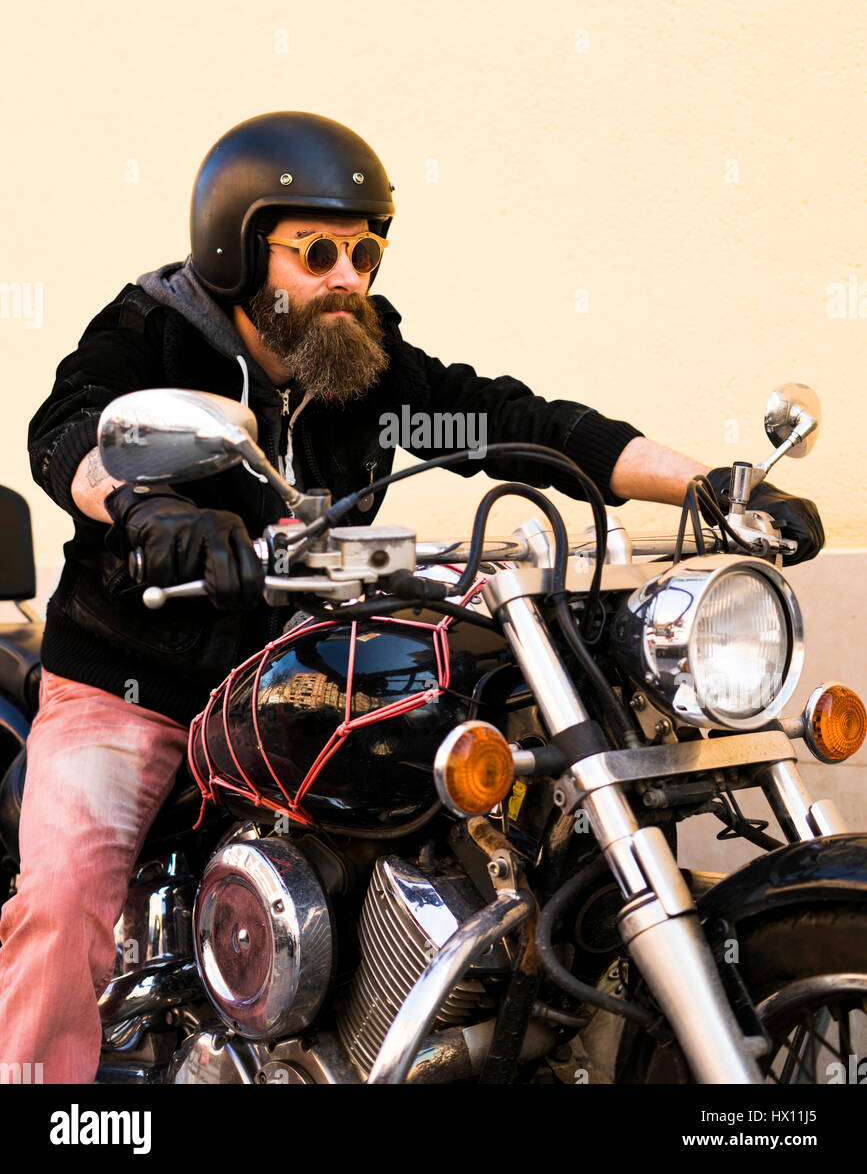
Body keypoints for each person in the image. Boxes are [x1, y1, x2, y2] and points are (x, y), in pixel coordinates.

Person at [0, 111, 824, 1084]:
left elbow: (519, 424)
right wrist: (143, 508)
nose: (348, 276)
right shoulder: (154, 331)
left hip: (284, 677)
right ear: (237, 247)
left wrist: (711, 487)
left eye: (365, 251)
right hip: (134, 688)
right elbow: (67, 435)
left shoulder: (357, 359)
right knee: (60, 904)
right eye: (317, 251)